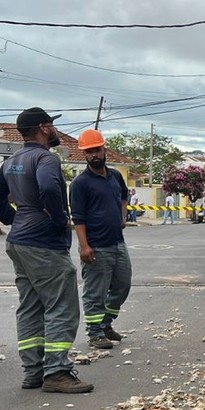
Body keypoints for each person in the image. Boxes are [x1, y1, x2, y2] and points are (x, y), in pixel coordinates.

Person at [0, 107, 92, 394]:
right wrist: (57, 219)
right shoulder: (46, 158)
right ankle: (56, 371)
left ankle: (33, 371)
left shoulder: (13, 160)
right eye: (52, 126)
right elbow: (48, 187)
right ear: (44, 128)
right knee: (61, 306)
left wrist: (13, 218)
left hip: (19, 241)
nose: (55, 131)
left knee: (30, 306)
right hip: (43, 243)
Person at [69, 129, 132, 350]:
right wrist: (83, 246)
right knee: (95, 292)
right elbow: (78, 218)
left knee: (122, 285)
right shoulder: (80, 184)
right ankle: (95, 333)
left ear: (104, 149)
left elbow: (124, 195)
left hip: (117, 243)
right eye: (89, 152)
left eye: (97, 150)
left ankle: (105, 324)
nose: (94, 155)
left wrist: (123, 216)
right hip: (96, 247)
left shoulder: (115, 175)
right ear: (84, 155)